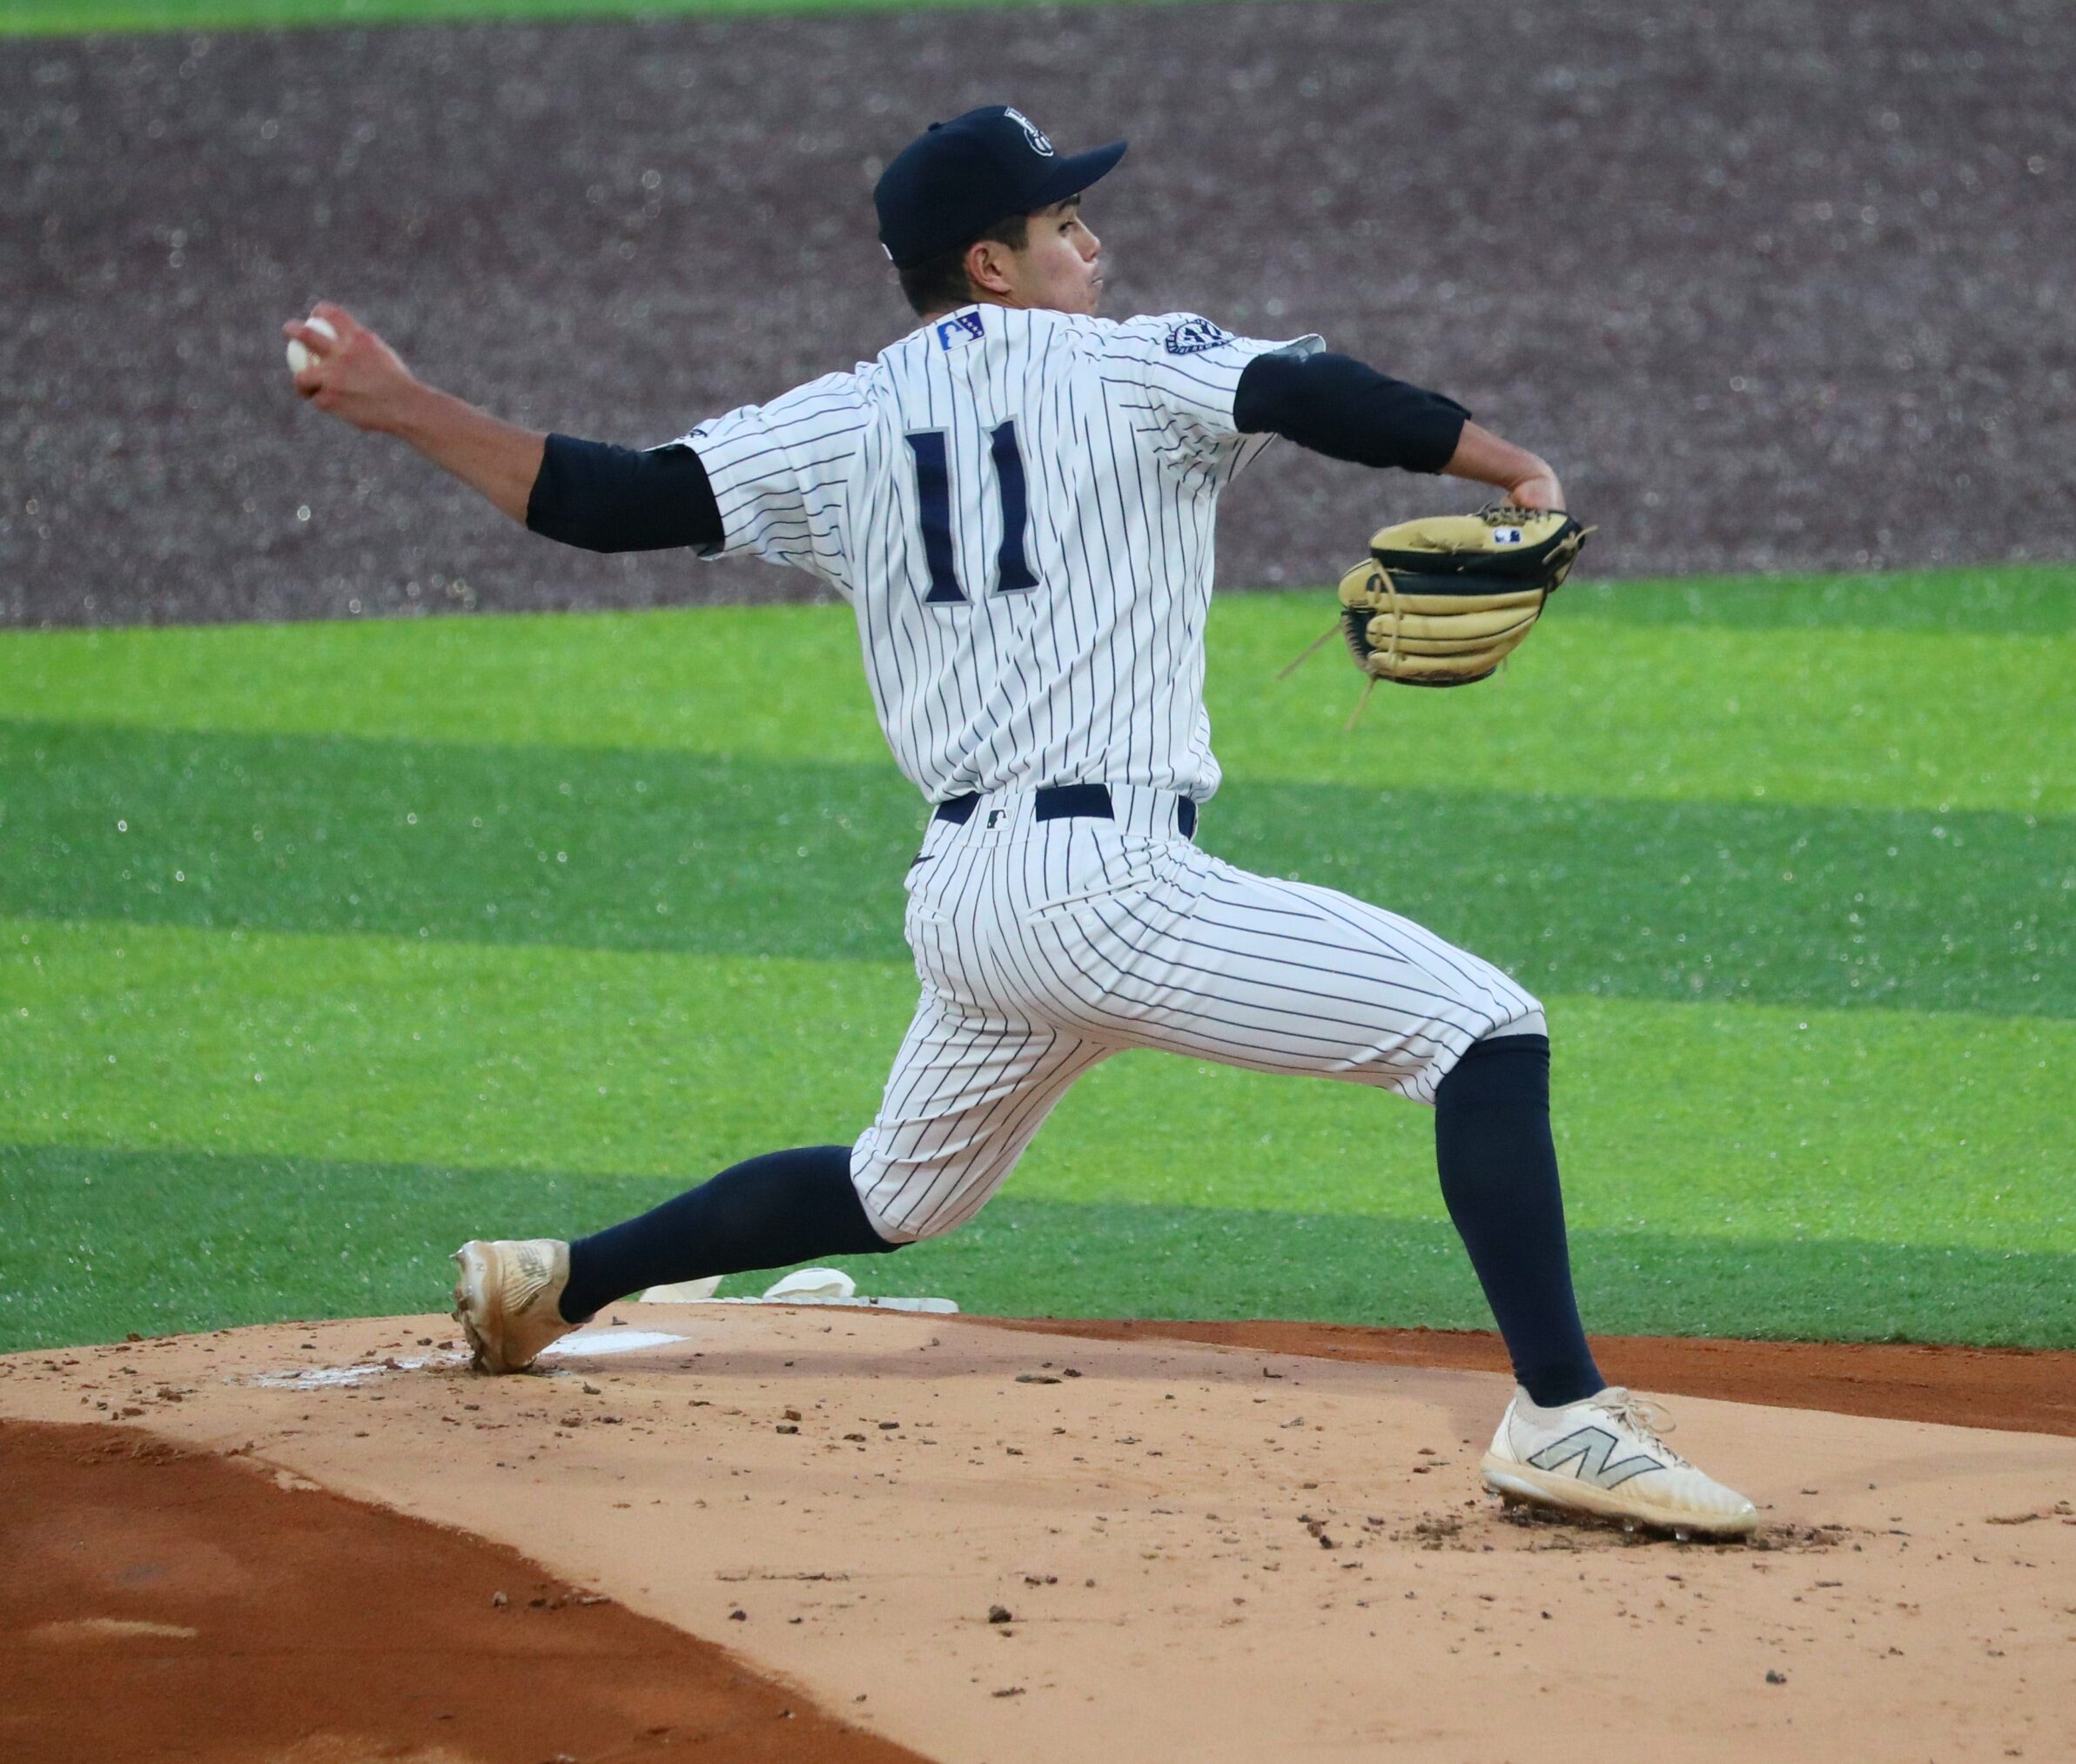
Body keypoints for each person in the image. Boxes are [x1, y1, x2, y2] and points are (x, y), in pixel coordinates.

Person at [286, 104, 1757, 1536]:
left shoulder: (839, 419)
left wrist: (403, 402)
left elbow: (612, 500)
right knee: (1483, 1032)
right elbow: (1309, 389)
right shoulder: (1127, 367)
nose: (1093, 242)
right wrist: (1511, 471)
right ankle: (1563, 1419)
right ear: (992, 261)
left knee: (893, 1189)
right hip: (1105, 886)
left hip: (972, 901)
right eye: (1064, 221)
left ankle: (553, 1282)